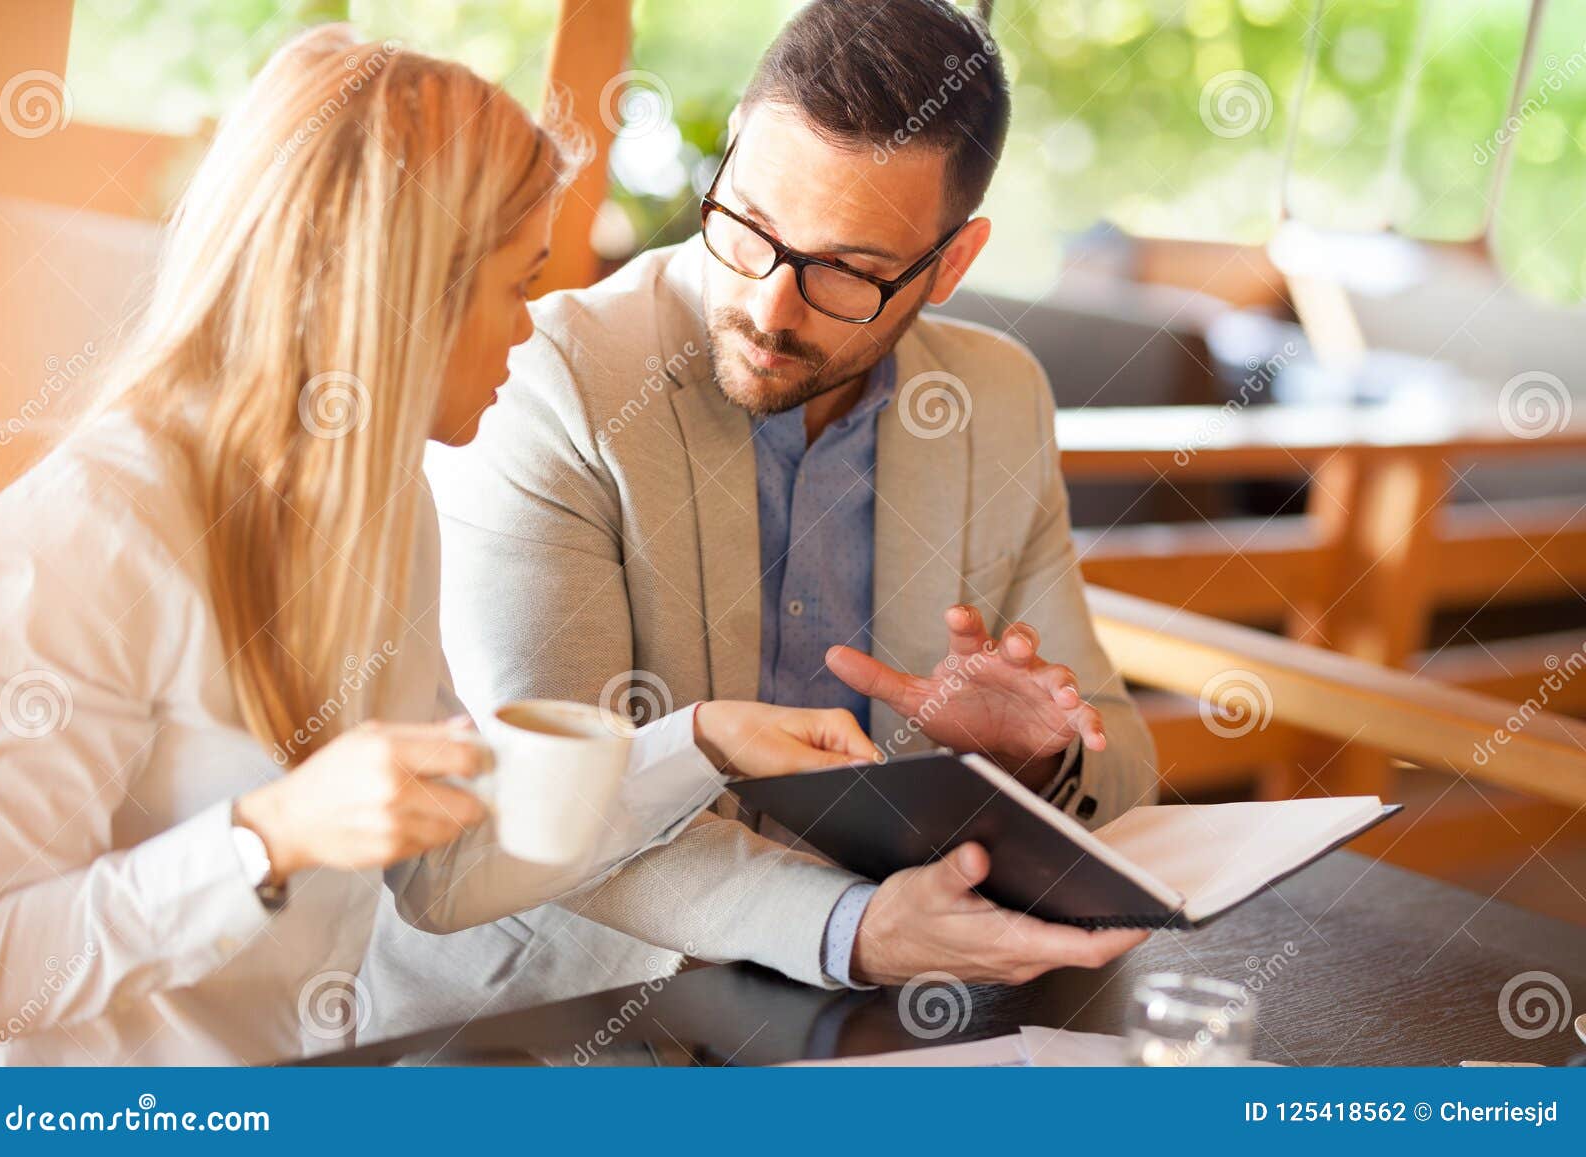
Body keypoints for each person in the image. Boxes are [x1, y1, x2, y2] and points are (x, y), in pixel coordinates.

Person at [0, 25, 881, 1067]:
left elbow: (445, 867)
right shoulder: (88, 533)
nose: (529, 326)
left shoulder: (384, 499)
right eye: (514, 283)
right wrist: (265, 838)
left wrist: (703, 740)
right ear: (403, 290)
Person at [367, 0, 1155, 1034]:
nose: (772, 308)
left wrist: (1027, 761)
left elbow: (1123, 757)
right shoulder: (551, 375)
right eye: (749, 229)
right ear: (730, 150)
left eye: (850, 273)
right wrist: (854, 925)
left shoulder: (996, 399)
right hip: (557, 1017)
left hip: (878, 1019)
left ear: (951, 265)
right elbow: (560, 812)